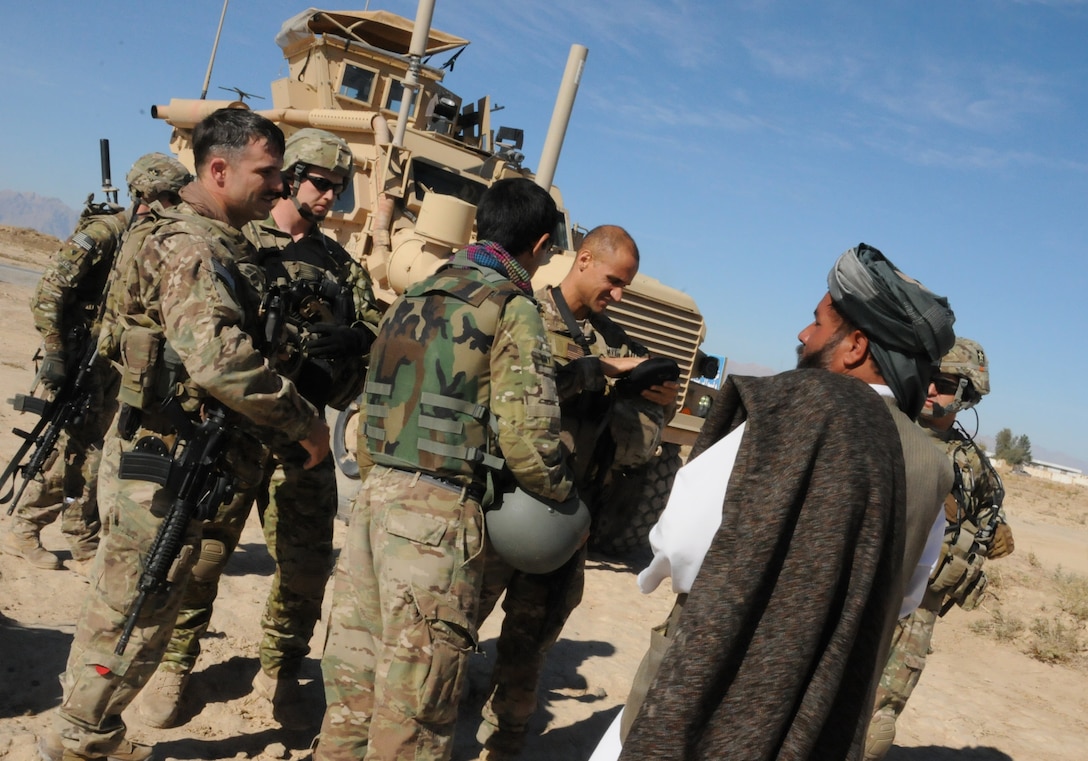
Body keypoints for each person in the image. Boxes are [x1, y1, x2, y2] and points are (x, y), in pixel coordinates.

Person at [39, 108, 330, 761]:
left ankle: (89, 728)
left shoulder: (194, 231)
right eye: (268, 172)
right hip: (167, 454)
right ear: (218, 169)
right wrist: (302, 420)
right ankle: (79, 736)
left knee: (131, 597)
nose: (280, 186)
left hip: (164, 447)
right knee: (135, 606)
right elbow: (220, 362)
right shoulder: (193, 247)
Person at [597, 243, 956, 761]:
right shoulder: (932, 465)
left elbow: (680, 545)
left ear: (855, 345)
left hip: (707, 691)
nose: (802, 334)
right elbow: (902, 596)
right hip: (825, 713)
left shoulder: (790, 405)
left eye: (816, 321)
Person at [315, 177, 576, 761]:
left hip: (370, 505)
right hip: (434, 524)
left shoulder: (416, 292)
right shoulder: (512, 307)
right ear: (537, 244)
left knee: (352, 694)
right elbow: (529, 441)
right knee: (417, 705)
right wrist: (563, 497)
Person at [135, 128, 381, 731]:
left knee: (305, 566)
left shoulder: (340, 265)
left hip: (306, 440)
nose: (330, 197)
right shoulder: (239, 241)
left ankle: (282, 669)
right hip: (236, 429)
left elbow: (376, 327)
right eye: (321, 183)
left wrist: (354, 336)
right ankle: (174, 666)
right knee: (203, 554)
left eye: (339, 189)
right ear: (289, 176)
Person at [474, 224, 679, 759]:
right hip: (502, 505)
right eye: (613, 281)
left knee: (529, 648)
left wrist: (659, 399)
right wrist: (594, 372)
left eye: (626, 287)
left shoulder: (623, 344)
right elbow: (508, 389)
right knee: (453, 625)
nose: (618, 295)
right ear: (583, 259)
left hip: (567, 519)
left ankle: (504, 744)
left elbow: (632, 442)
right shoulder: (523, 316)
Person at [1, 153, 191, 570]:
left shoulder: (147, 237)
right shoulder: (106, 233)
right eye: (170, 197)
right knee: (72, 446)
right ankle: (27, 526)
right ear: (148, 194)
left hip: (108, 361)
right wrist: (54, 353)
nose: (177, 206)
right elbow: (48, 293)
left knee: (93, 449)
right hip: (76, 357)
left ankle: (78, 530)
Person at [865, 337, 1015, 760]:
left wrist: (994, 532)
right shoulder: (884, 427)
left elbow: (987, 516)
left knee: (879, 719)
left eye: (945, 384)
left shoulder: (972, 464)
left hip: (919, 606)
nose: (931, 389)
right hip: (867, 581)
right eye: (929, 379)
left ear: (966, 395)